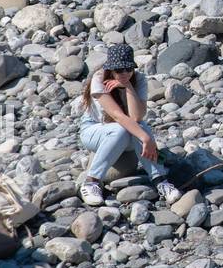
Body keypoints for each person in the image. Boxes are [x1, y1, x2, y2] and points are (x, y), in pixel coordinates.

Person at [76, 43, 181, 206]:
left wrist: (127, 86)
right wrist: (146, 139)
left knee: (139, 127)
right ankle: (91, 182)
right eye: (119, 70)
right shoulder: (98, 80)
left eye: (128, 69)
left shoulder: (138, 79)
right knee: (129, 130)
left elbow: (137, 116)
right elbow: (118, 116)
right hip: (94, 129)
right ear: (110, 69)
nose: (124, 73)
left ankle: (160, 181)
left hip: (123, 130)